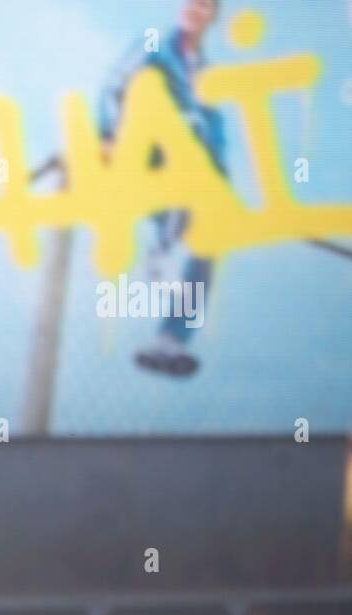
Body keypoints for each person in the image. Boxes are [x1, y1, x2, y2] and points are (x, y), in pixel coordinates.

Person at [98, 0, 227, 377]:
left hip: (192, 170)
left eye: (204, 6)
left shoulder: (204, 70)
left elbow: (213, 126)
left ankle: (171, 340)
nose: (195, 10)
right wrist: (108, 134)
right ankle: (162, 251)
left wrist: (220, 176)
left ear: (212, 16)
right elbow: (114, 84)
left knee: (208, 242)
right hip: (147, 153)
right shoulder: (154, 46)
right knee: (177, 184)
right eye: (191, 3)